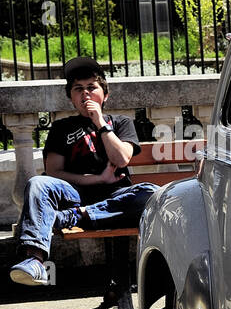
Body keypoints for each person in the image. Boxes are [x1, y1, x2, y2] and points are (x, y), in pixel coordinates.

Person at [9, 57, 155, 287]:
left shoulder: (120, 123)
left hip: (117, 199)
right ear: (71, 97)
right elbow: (54, 172)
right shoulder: (61, 128)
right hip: (75, 195)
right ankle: (34, 261)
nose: (85, 94)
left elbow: (121, 158)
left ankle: (77, 216)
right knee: (38, 183)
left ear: (105, 95)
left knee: (151, 194)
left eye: (91, 88)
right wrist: (98, 179)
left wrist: (100, 123)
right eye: (78, 89)